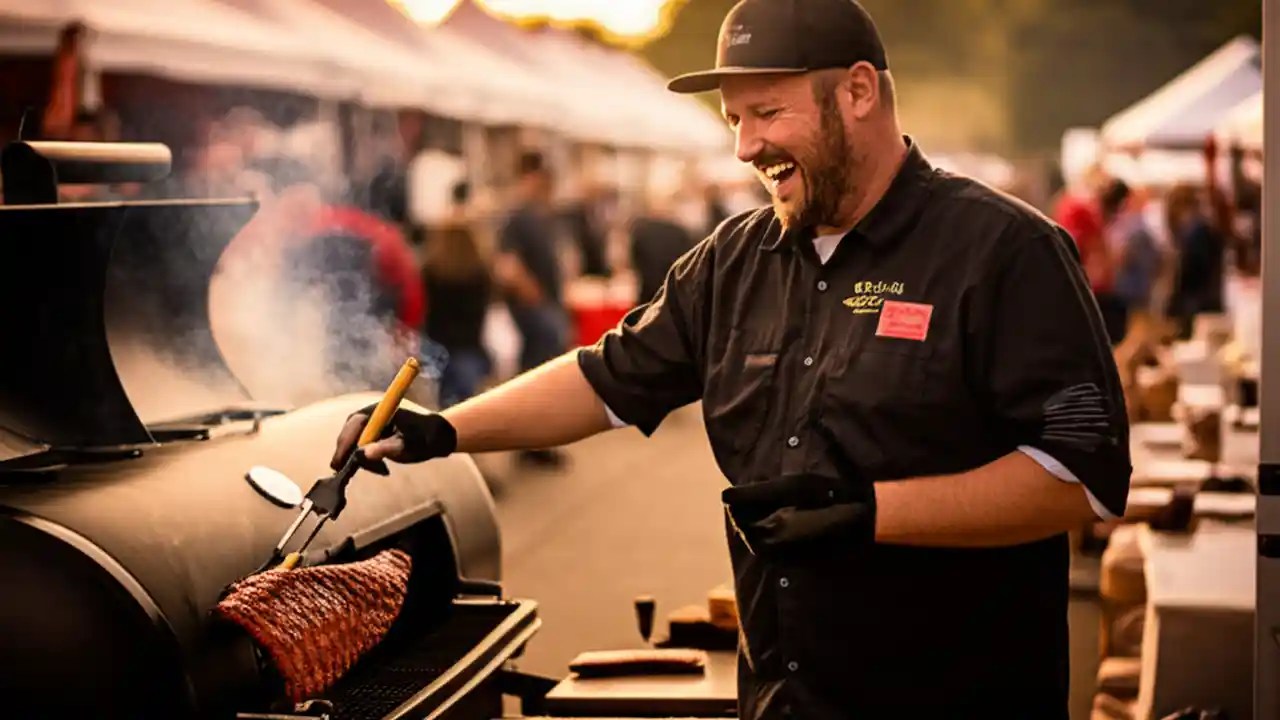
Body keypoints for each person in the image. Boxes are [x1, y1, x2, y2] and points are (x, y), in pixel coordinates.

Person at [331, 0, 1130, 717]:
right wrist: (441, 431)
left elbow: (1081, 480)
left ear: (858, 91)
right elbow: (605, 380)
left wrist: (871, 514)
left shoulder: (1007, 250)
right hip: (782, 698)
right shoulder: (733, 260)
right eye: (734, 119)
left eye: (769, 112)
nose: (747, 145)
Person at [494, 151, 571, 466]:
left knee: (540, 373)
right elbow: (507, 266)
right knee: (538, 376)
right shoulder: (518, 215)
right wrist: (535, 296)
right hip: (534, 307)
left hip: (543, 304)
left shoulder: (539, 214)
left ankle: (536, 442)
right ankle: (532, 443)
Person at [421, 221, 493, 408]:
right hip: (469, 347)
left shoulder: (430, 272)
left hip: (437, 346)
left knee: (443, 404)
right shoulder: (480, 274)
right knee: (467, 404)